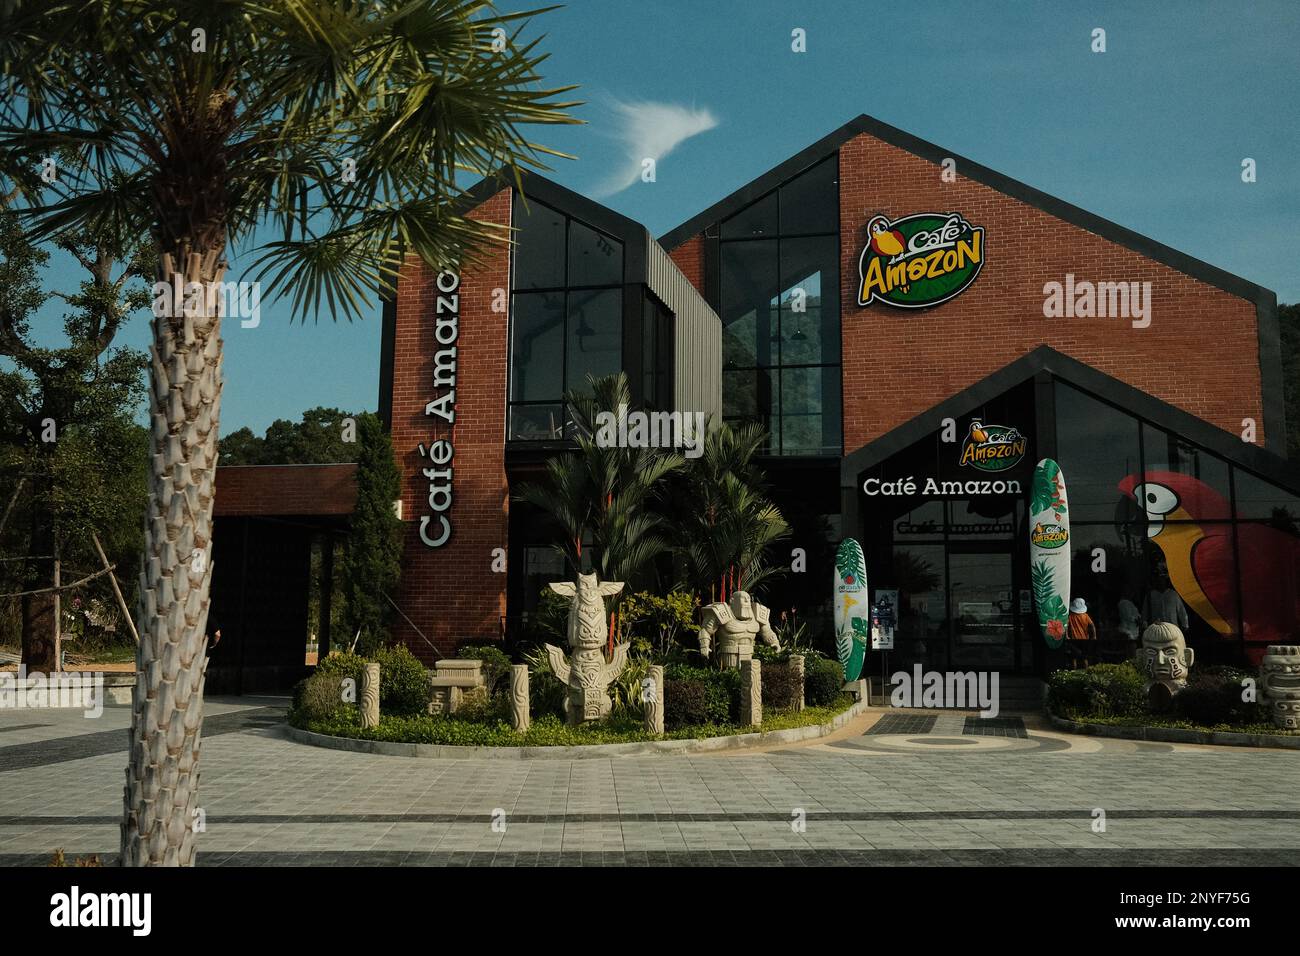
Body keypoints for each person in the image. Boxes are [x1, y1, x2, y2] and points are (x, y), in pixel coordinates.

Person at [1067, 598, 1097, 667]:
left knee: (1074, 658)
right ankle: (1086, 673)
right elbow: (1092, 626)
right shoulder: (1086, 616)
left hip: (1074, 639)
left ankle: (1073, 673)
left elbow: (1066, 626)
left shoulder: (1071, 616)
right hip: (1085, 639)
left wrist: (1067, 636)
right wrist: (1094, 636)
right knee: (1085, 657)